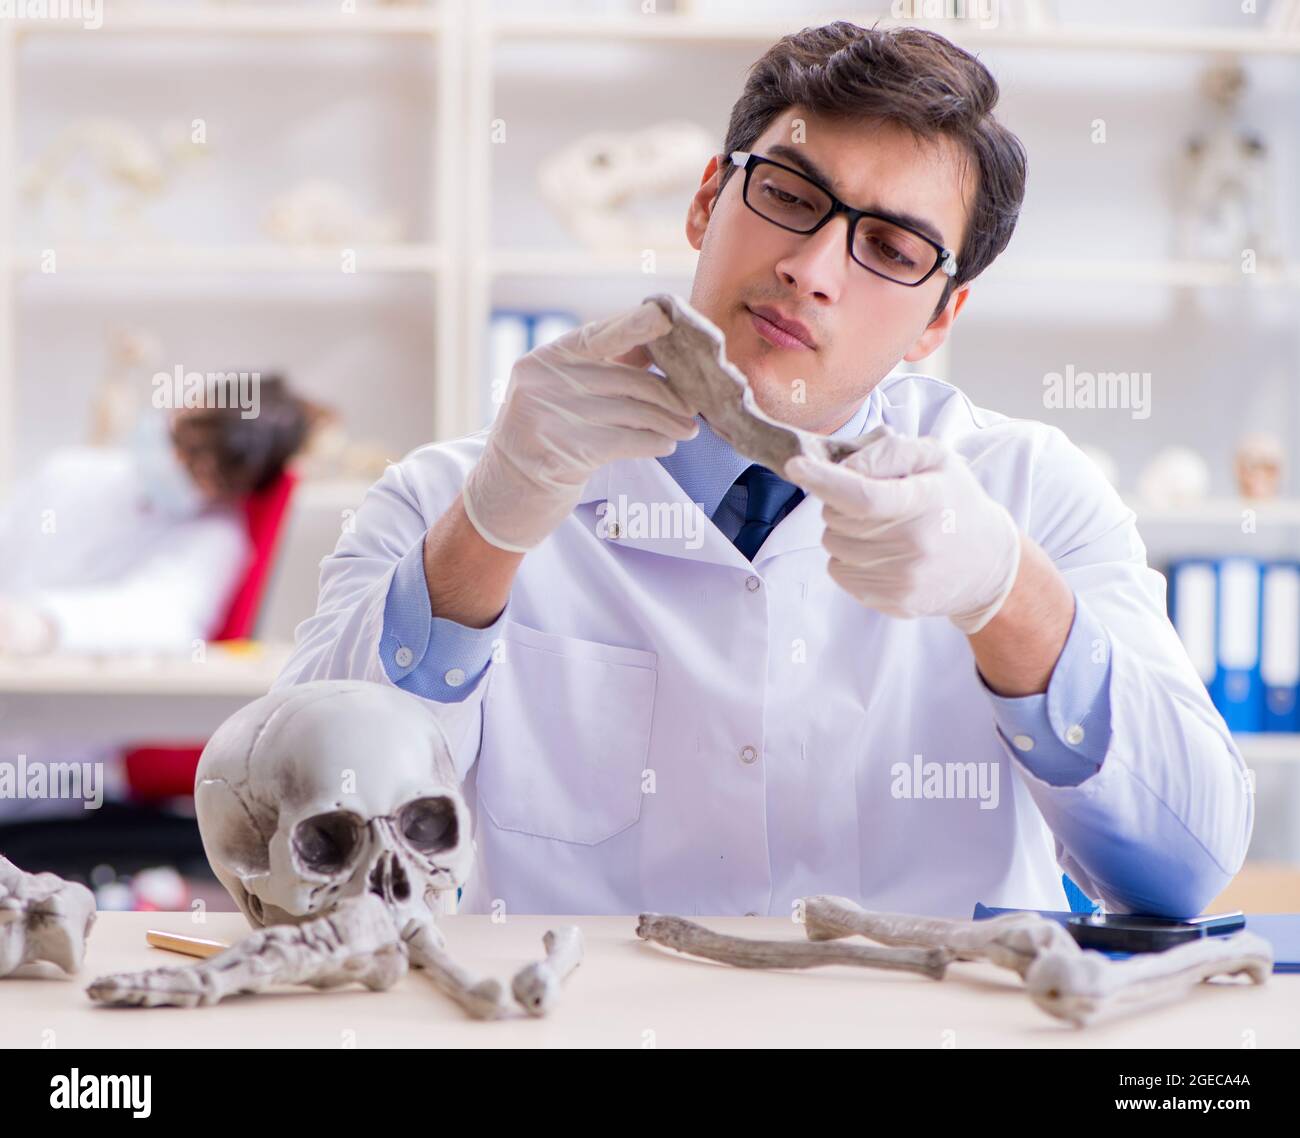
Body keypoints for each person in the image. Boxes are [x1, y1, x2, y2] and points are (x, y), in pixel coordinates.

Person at [275, 23, 1251, 919]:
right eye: (788, 196)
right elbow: (294, 845)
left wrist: (1008, 594)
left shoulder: (1031, 495)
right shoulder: (443, 497)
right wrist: (486, 532)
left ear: (939, 319)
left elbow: (1184, 867)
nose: (812, 267)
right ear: (707, 202)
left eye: (890, 246)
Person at [0, 374, 314, 655]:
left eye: (199, 470)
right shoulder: (70, 471)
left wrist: (42, 624)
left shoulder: (217, 540)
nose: (174, 462)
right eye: (182, 437)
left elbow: (166, 619)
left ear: (237, 489)